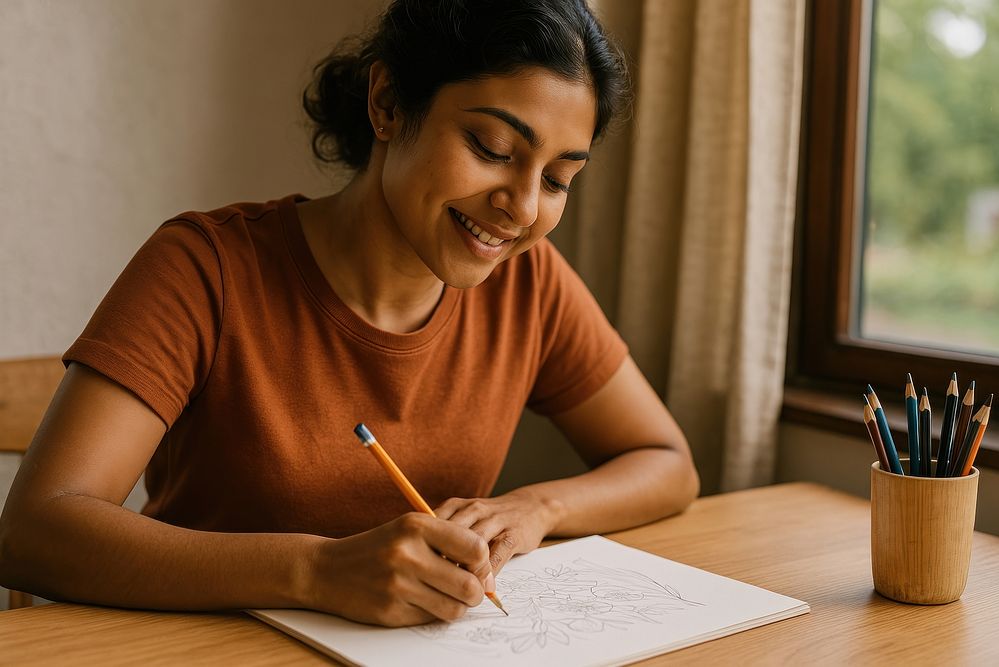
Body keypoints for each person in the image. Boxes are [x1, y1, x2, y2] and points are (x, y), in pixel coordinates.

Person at [0, 0, 698, 627]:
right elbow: (34, 530)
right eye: (492, 149)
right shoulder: (206, 268)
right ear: (388, 103)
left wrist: (538, 507)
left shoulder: (528, 284)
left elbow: (666, 462)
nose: (520, 207)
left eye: (557, 179)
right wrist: (315, 572)